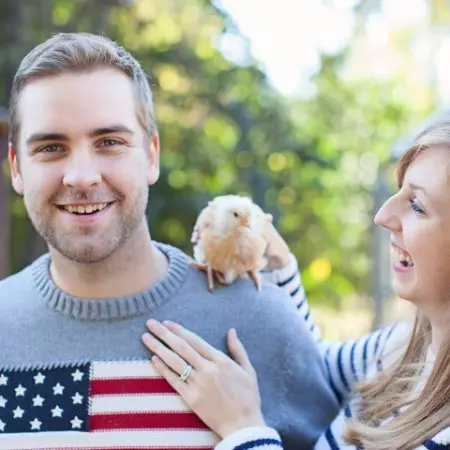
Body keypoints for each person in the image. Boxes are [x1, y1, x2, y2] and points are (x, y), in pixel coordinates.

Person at [0, 32, 339, 449]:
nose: (82, 176)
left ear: (152, 156)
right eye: (51, 147)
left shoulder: (262, 322)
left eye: (109, 142)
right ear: (16, 168)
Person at [143, 116, 450, 450]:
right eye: (398, 191)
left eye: (417, 206)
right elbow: (311, 369)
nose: (383, 216)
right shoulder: (405, 345)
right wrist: (280, 263)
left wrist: (242, 428)